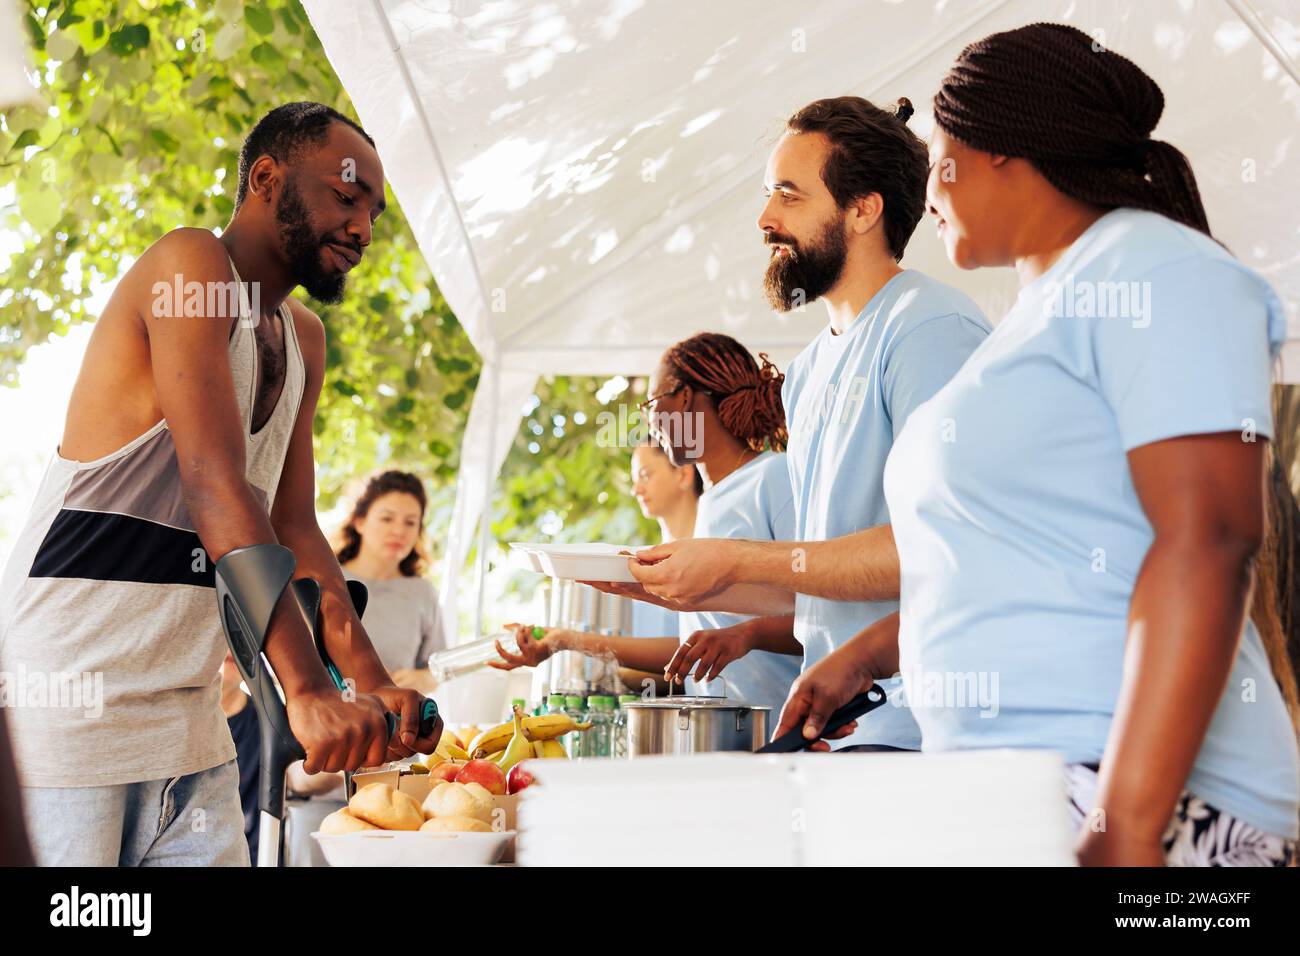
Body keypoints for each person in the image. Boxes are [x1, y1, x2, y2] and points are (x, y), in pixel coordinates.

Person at [777, 23, 1300, 866]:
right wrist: (869, 654)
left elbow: (1210, 536)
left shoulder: (1155, 271)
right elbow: (1029, 564)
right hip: (1020, 790)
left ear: (1003, 154)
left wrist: (1127, 826)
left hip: (1143, 806)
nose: (927, 189)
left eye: (936, 158)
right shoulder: (1032, 322)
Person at [0, 102, 440, 866]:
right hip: (70, 724)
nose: (364, 228)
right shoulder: (190, 266)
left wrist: (371, 684)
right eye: (346, 195)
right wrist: (307, 691)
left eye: (373, 208)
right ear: (266, 178)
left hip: (189, 727)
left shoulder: (304, 338)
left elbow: (295, 527)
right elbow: (215, 485)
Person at [602, 97, 991, 749]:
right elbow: (818, 578)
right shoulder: (809, 371)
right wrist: (672, 580)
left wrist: (730, 557)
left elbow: (947, 550)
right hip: (833, 725)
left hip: (914, 729)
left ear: (863, 208)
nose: (764, 219)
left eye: (788, 194)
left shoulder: (932, 330)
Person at [494, 334, 801, 715]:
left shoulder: (774, 477)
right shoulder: (710, 503)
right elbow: (692, 646)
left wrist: (749, 635)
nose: (649, 422)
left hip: (787, 731)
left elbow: (826, 615)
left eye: (651, 404)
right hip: (727, 734)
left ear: (684, 398)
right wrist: (564, 639)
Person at [338, 470, 446, 695]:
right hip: (332, 721)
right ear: (359, 521)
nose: (399, 531)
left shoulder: (423, 592)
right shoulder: (328, 580)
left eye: (410, 522)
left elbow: (437, 668)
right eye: (387, 518)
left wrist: (422, 679)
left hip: (398, 725)